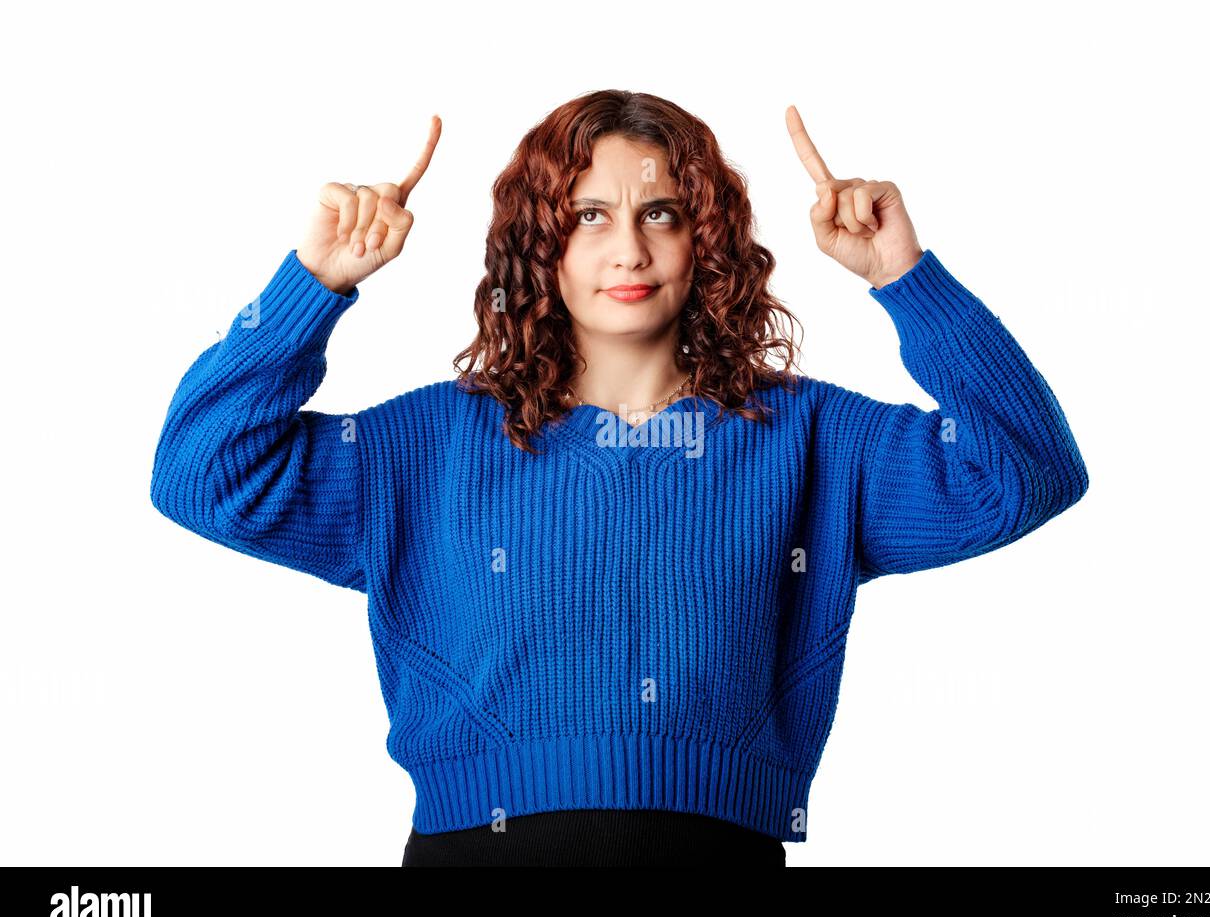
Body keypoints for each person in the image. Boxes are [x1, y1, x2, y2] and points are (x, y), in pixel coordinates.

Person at [150, 91, 1088, 867]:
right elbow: (201, 473)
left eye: (660, 214)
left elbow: (1027, 470)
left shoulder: (811, 439)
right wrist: (311, 284)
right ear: (541, 243)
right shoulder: (427, 444)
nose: (628, 251)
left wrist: (905, 276)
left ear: (705, 237)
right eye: (589, 216)